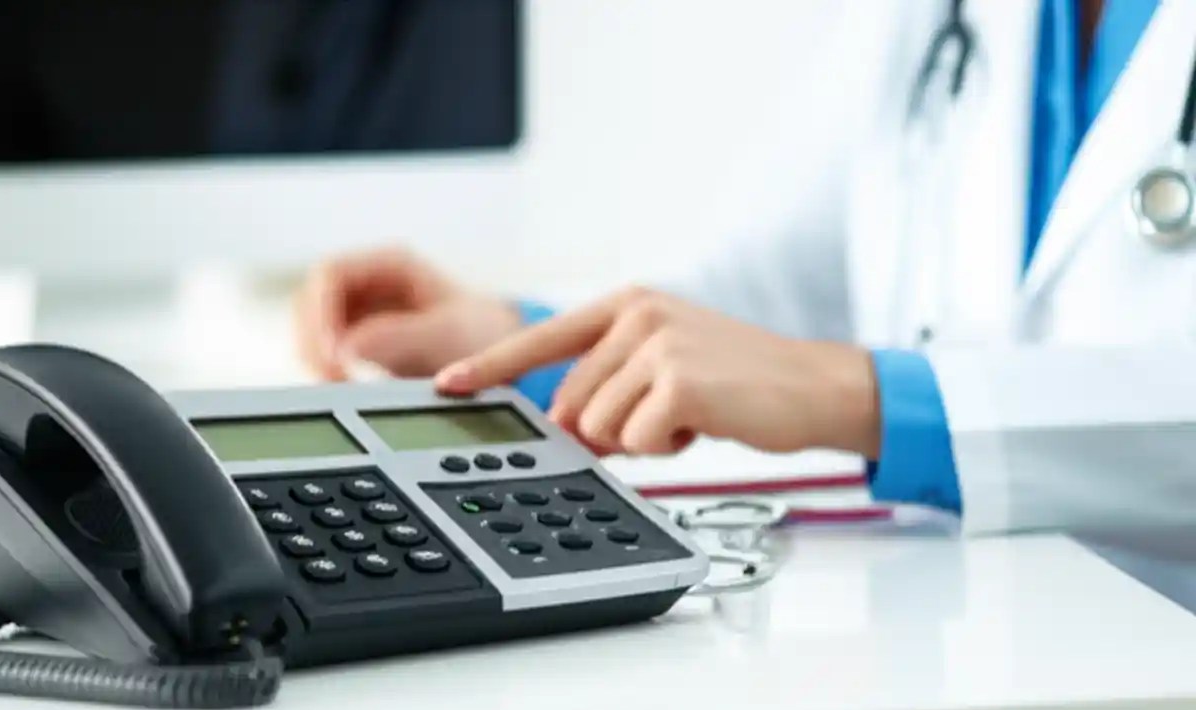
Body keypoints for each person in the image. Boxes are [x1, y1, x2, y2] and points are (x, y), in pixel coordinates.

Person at [295, 0, 1196, 536]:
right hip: (986, 627)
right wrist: (521, 339)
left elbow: (811, 374)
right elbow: (789, 284)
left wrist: (865, 397)